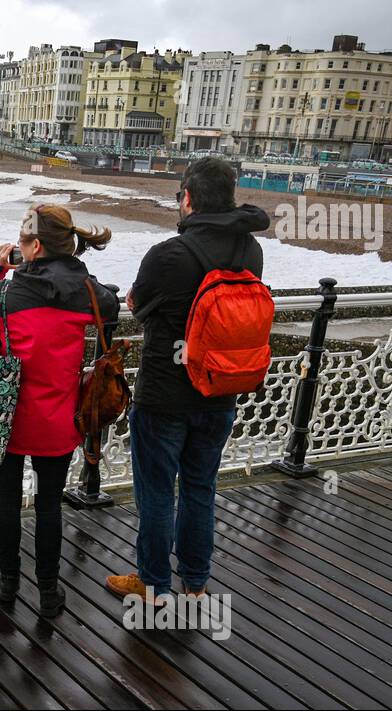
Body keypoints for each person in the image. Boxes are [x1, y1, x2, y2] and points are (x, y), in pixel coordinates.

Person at [107, 157, 270, 605]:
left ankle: (154, 585)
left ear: (188, 199)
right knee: (201, 487)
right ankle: (195, 584)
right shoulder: (249, 252)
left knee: (158, 493)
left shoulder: (168, 254)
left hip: (164, 393)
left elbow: (138, 305)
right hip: (221, 389)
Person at [0, 204, 119, 618]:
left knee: (7, 501)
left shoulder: (7, 291)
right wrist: (78, 271)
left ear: (33, 247)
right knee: (49, 504)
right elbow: (112, 307)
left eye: (23, 241)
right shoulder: (86, 291)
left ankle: (8, 585)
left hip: (8, 419)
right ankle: (49, 592)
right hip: (60, 420)